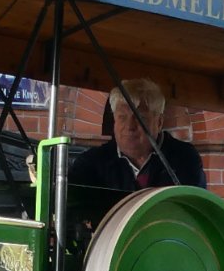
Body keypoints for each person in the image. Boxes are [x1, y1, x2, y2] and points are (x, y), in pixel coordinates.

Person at [68, 77, 205, 194]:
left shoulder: (184, 158)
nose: (130, 126)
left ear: (159, 122)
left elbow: (193, 210)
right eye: (122, 117)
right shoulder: (91, 163)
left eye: (140, 118)